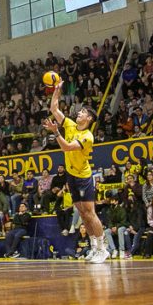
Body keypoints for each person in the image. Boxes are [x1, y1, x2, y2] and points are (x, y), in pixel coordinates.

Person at [42, 80, 107, 264]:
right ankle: (94, 247)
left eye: (84, 112)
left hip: (83, 177)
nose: (79, 112)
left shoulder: (87, 137)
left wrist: (56, 133)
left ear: (89, 120)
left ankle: (103, 248)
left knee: (90, 212)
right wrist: (56, 90)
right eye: (80, 111)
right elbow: (54, 108)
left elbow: (68, 148)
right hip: (71, 175)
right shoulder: (70, 124)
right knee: (81, 213)